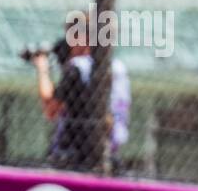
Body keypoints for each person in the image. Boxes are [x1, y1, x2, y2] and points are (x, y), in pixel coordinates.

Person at [32, 15, 131, 172]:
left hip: (74, 155)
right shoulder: (118, 68)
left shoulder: (78, 67)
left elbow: (51, 110)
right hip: (109, 154)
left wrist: (42, 68)